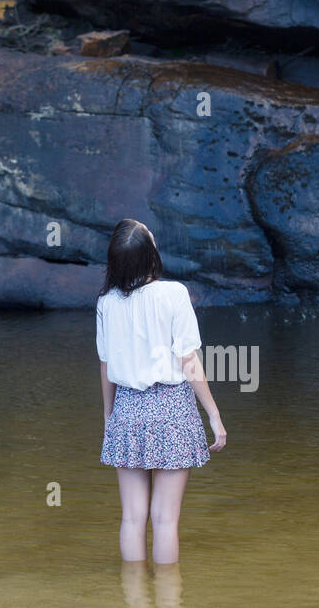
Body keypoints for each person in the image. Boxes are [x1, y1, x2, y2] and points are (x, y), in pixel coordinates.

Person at [97, 219, 226, 565]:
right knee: (165, 520)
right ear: (149, 254)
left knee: (132, 518)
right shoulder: (174, 294)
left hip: (126, 409)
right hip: (170, 410)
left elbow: (106, 365)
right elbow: (189, 361)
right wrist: (213, 415)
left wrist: (109, 417)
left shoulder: (106, 303)